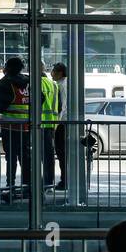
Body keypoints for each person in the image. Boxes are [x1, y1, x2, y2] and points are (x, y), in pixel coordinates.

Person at [0, 57, 33, 193]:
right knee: (25, 157)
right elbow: (41, 99)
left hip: (10, 127)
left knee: (11, 158)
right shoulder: (29, 83)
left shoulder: (6, 84)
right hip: (27, 127)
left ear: (8, 68)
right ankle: (27, 185)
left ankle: (11, 185)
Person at [38, 63, 59, 192]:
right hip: (51, 124)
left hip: (38, 124)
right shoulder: (53, 84)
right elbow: (59, 105)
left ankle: (36, 183)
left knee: (35, 155)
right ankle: (49, 182)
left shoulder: (36, 83)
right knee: (48, 156)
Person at [50, 62, 70, 190]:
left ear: (60, 72)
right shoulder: (68, 83)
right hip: (67, 122)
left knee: (61, 153)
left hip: (62, 123)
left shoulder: (61, 86)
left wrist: (55, 125)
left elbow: (61, 107)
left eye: (54, 72)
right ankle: (66, 179)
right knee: (65, 154)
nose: (51, 74)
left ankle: (64, 181)